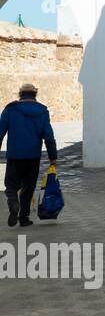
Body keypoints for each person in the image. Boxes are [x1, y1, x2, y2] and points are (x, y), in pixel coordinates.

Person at [1, 83, 58, 227]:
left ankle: (13, 203)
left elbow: (0, 132)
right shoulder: (42, 111)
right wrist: (53, 156)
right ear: (35, 94)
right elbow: (49, 136)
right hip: (33, 157)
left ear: (20, 94)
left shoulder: (10, 109)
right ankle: (24, 218)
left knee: (11, 185)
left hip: (14, 155)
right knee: (28, 187)